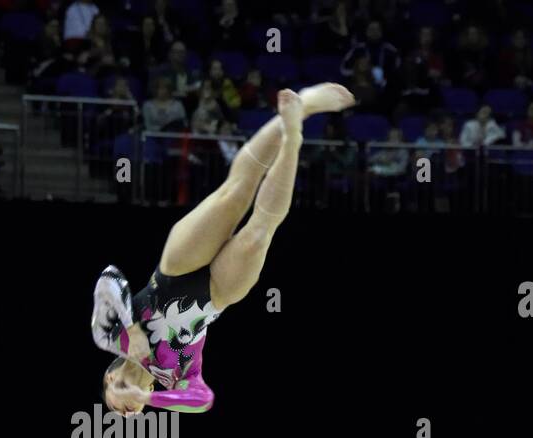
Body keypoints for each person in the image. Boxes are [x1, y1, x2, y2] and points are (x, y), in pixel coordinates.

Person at [91, 83, 356, 415]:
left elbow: (109, 278)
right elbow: (203, 401)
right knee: (260, 231)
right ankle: (293, 137)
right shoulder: (176, 380)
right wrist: (148, 399)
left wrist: (131, 328)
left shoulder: (110, 338)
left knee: (236, 192)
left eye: (121, 409)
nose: (130, 412)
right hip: (215, 296)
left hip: (176, 270)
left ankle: (303, 106)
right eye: (133, 414)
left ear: (110, 378)